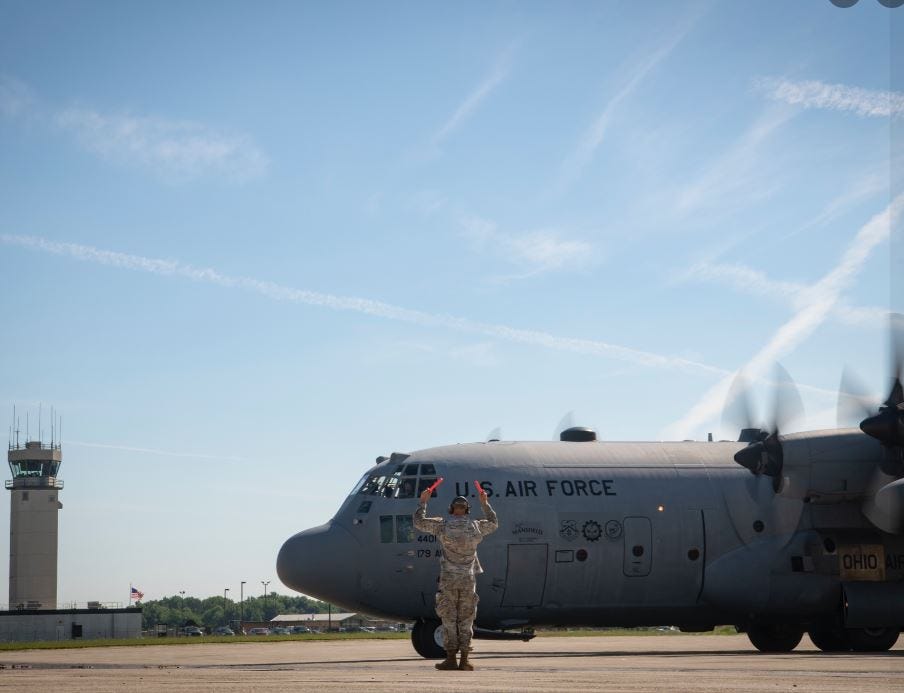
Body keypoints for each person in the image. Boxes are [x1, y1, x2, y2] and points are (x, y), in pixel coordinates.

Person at [413, 484, 498, 671]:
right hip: (468, 580)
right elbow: (493, 523)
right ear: (468, 510)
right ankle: (465, 659)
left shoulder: (443, 525)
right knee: (466, 619)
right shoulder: (476, 526)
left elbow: (419, 523)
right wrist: (485, 504)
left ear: (451, 509)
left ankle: (451, 658)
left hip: (449, 580)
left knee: (449, 618)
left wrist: (423, 501)